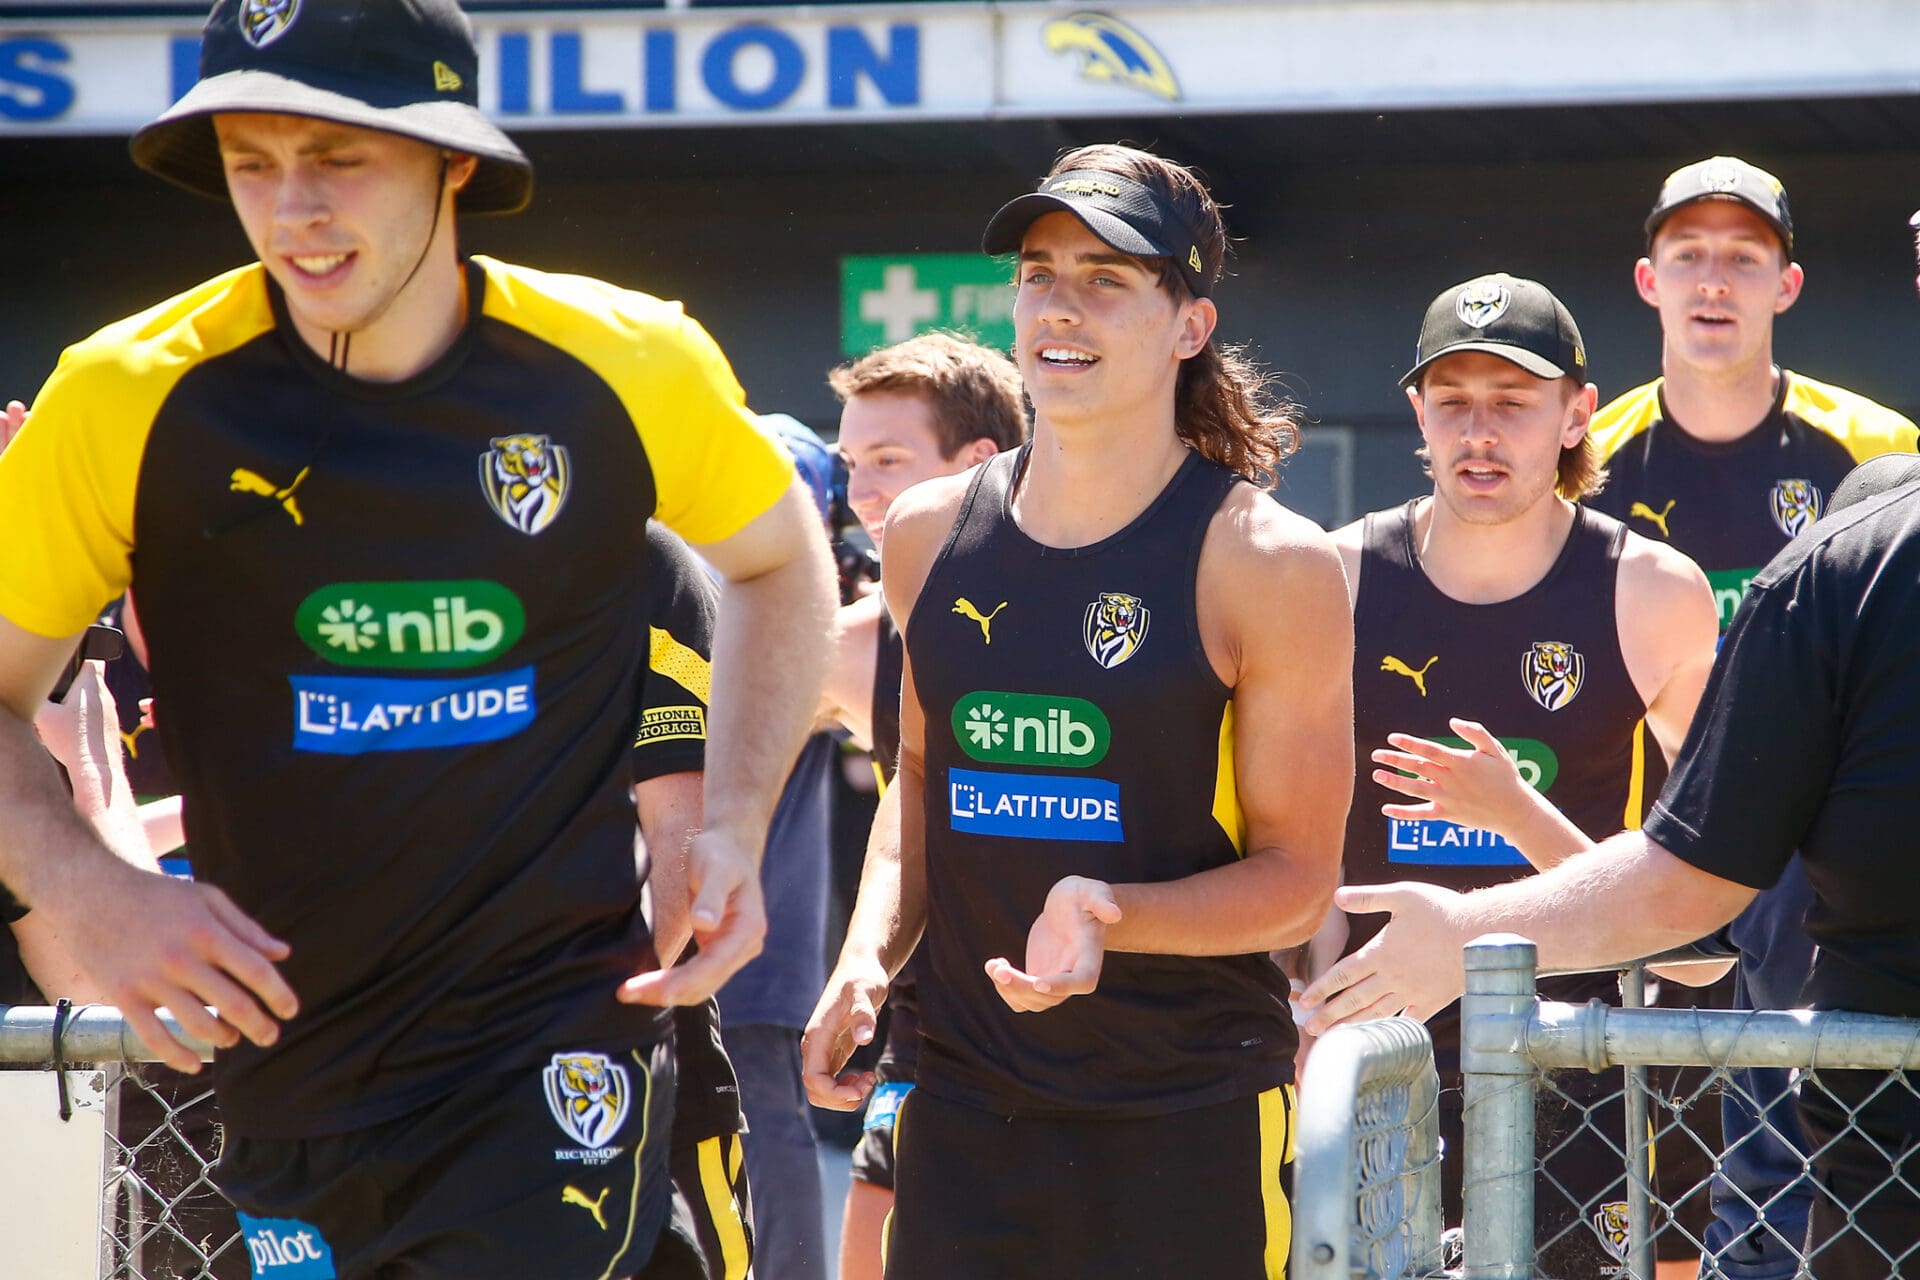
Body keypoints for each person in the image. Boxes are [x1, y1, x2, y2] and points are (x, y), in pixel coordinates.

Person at [0, 3, 835, 1278]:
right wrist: (91, 890)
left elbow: (780, 560)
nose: (293, 211)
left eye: (338, 160)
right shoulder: (122, 397)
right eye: (252, 164)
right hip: (288, 1069)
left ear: (453, 161)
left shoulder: (624, 362)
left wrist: (730, 817)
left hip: (550, 1044)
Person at [804, 143, 1353, 1279]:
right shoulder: (927, 531)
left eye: (1108, 277)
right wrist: (866, 955)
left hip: (1185, 1111)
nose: (1062, 305)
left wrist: (1112, 910)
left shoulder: (1265, 562)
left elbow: (1298, 878)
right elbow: (920, 775)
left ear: (1189, 324)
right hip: (959, 1101)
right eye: (1041, 272)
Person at [1302, 466, 1920, 1276]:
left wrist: (1478, 899)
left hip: (1822, 1204)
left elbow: (1682, 909)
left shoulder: (1814, 581)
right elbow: (1691, 924)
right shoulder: (1795, 844)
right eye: (1451, 401)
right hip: (1784, 1217)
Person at [1329, 274, 1718, 1276]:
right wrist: (1306, 1014)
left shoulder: (1652, 592)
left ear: (1577, 410)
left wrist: (1518, 815)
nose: (1479, 432)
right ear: (1415, 411)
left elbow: (1706, 940)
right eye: (1452, 401)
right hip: (1380, 1059)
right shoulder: (1335, 575)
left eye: (1512, 402)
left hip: (1580, 1065)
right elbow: (1303, 856)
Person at [1584, 156, 1918, 1275]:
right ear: (1647, 279)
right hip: (1657, 858)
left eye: (1742, 258)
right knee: (1660, 1183)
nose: (1713, 282)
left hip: (1823, 877)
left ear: (1789, 283)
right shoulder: (1590, 459)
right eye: (1689, 257)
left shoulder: (1879, 452)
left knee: (1807, 1174)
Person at [812, 332, 1027, 1280]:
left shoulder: (1115, 604)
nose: (861, 491)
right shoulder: (857, 645)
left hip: (1137, 1060)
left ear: (978, 464)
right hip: (931, 1049)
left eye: (889, 460)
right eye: (851, 461)